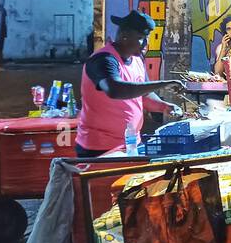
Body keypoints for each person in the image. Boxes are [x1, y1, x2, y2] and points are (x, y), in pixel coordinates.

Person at [75, 11, 184, 157]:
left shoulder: (137, 59)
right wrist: (162, 84)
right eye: (140, 38)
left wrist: (163, 106)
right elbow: (115, 90)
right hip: (99, 147)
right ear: (124, 36)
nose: (145, 43)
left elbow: (143, 93)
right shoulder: (104, 59)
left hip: (131, 143)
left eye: (146, 38)